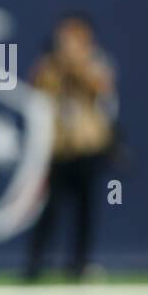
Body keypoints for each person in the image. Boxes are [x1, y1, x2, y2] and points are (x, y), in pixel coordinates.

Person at [23, 15, 117, 280]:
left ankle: (79, 264)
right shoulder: (49, 64)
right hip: (59, 147)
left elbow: (100, 88)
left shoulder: (97, 62)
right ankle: (35, 264)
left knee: (85, 209)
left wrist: (77, 63)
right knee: (49, 209)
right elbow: (37, 88)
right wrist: (58, 65)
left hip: (87, 145)